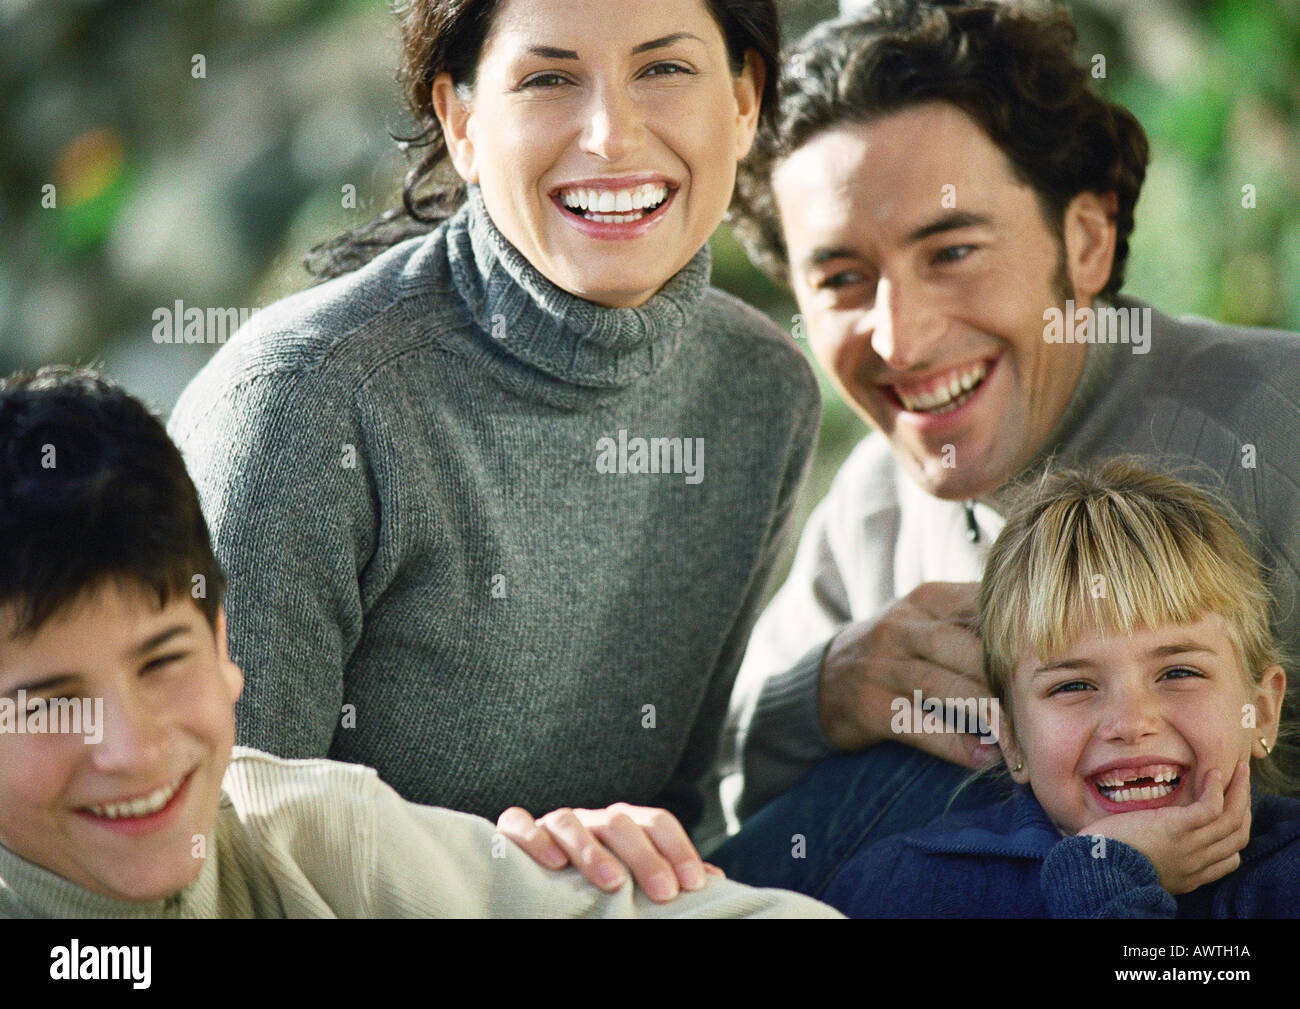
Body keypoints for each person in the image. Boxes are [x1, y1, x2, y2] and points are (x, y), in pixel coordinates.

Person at [167, 0, 821, 900]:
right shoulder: (306, 407)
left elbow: (681, 806)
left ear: (745, 101)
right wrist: (488, 872)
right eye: (549, 78)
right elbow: (214, 860)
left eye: (664, 70)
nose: (611, 136)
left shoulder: (761, 391)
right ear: (462, 122)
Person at [710, 0, 1300, 890]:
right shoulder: (867, 514)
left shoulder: (1276, 428)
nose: (899, 339)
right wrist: (825, 696)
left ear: (1088, 241)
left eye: (950, 252)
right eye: (839, 278)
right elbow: (729, 803)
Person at [0, 367, 839, 919]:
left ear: (222, 645)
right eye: (49, 702)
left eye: (162, 661)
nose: (132, 746)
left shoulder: (311, 835)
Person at [821, 460, 1299, 917]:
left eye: (1178, 673)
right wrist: (1108, 872)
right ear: (1010, 738)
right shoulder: (908, 889)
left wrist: (1108, 876)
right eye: (1073, 685)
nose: (1130, 723)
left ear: (1261, 711)